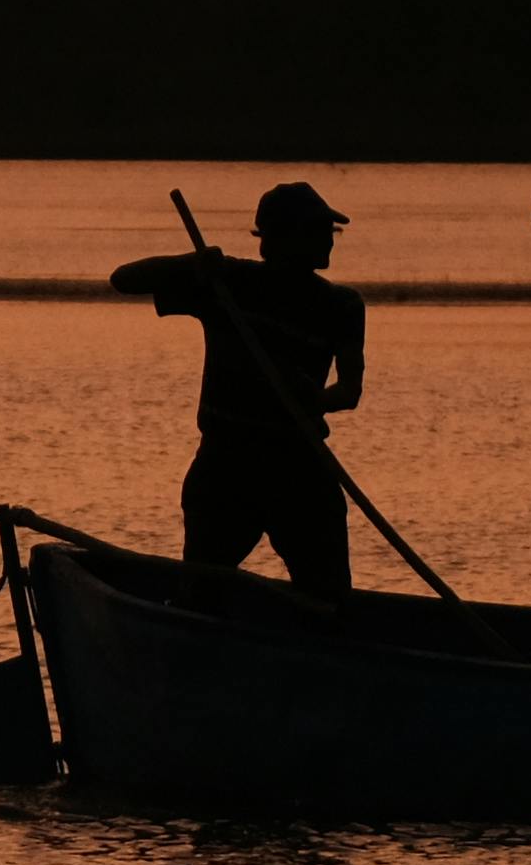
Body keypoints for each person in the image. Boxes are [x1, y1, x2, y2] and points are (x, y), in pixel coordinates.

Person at [110, 181, 366, 593]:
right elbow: (123, 279)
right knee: (201, 590)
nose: (328, 242)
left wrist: (313, 399)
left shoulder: (342, 306)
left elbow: (349, 392)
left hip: (299, 464)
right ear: (278, 239)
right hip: (228, 465)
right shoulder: (229, 284)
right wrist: (194, 264)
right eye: (316, 231)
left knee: (330, 596)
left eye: (328, 232)